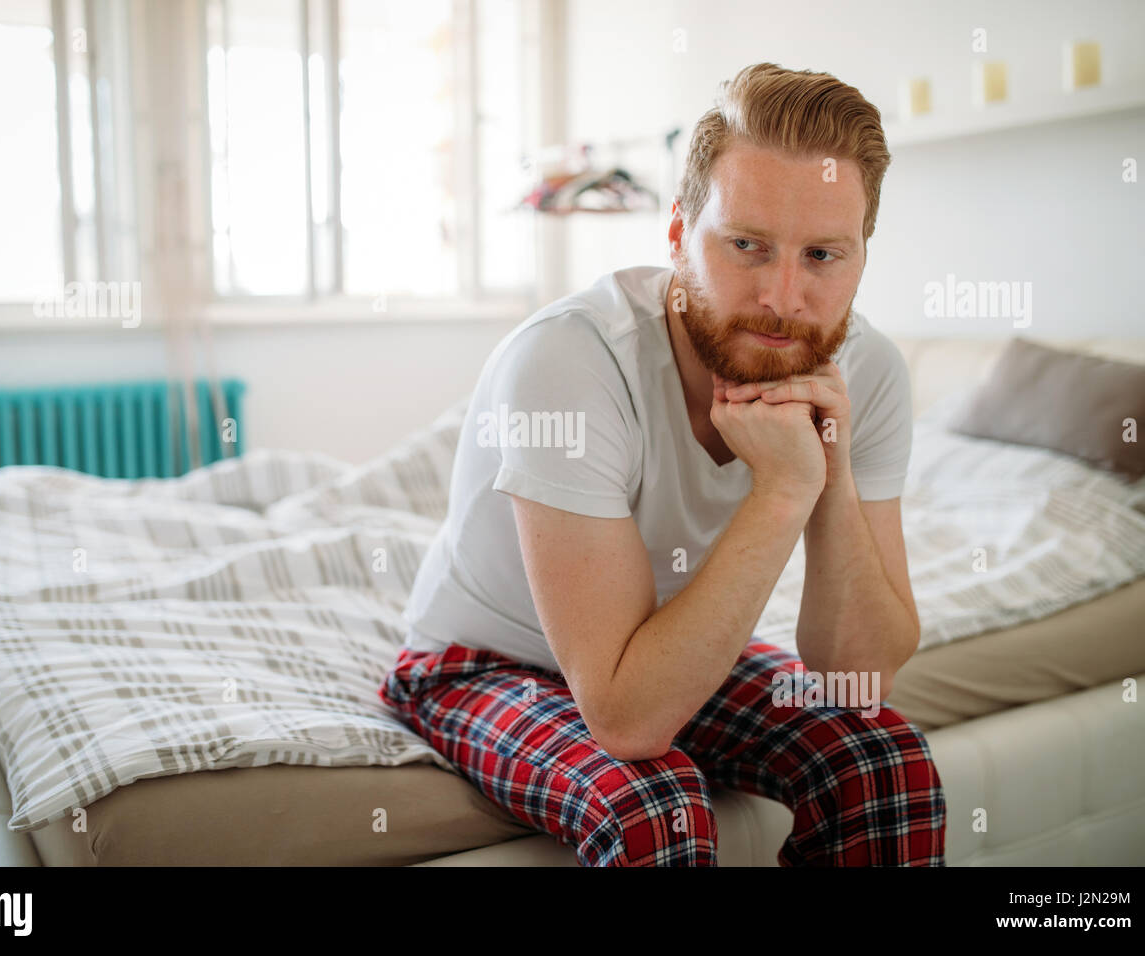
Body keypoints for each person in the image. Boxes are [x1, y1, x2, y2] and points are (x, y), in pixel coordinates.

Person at [379, 62, 946, 866]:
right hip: (483, 660)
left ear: (861, 257)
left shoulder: (869, 372)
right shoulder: (569, 361)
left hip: (661, 647)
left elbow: (856, 675)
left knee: (883, 762)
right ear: (677, 233)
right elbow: (627, 719)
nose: (784, 298)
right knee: (656, 806)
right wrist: (783, 489)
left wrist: (829, 474)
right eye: (747, 245)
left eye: (823, 255)